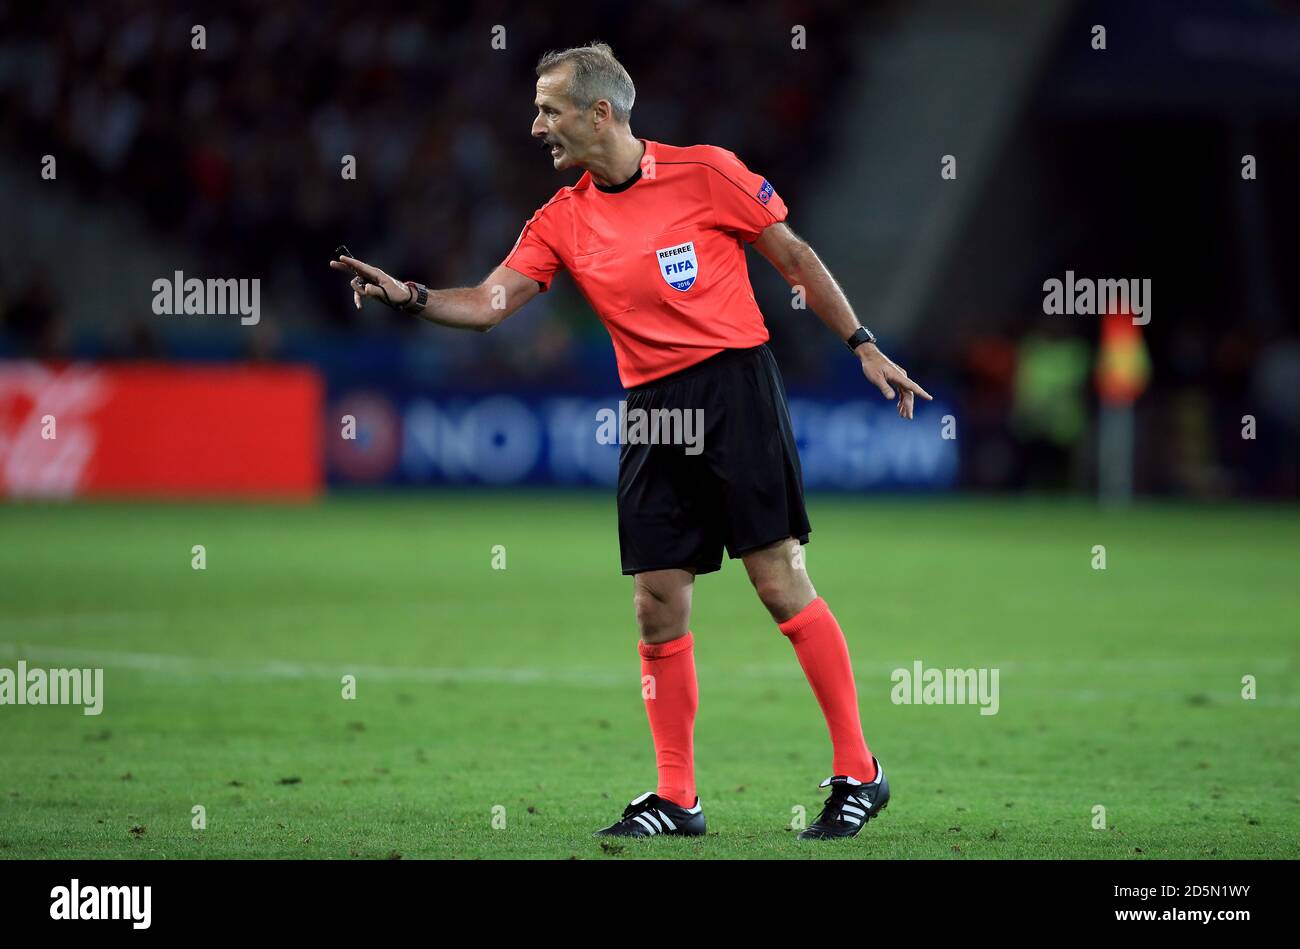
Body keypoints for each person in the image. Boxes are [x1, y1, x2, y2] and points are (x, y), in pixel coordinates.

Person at [330, 42, 931, 841]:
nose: (536, 123)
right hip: (649, 407)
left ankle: (860, 771)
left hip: (733, 387)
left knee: (780, 579)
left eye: (549, 108)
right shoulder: (561, 218)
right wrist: (410, 296)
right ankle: (677, 797)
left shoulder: (707, 172)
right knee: (656, 602)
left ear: (599, 113)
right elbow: (486, 303)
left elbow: (793, 255)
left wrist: (861, 342)